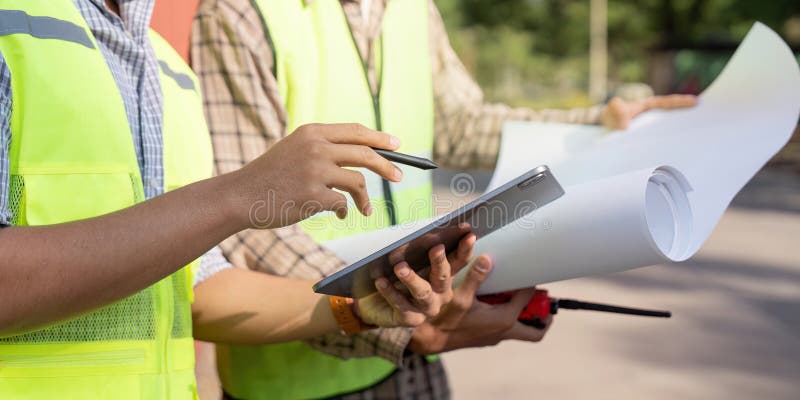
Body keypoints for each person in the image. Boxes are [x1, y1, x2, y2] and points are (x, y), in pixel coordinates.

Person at [192, 0, 699, 399]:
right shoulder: (241, 12)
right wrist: (387, 314)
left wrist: (597, 127)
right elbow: (247, 217)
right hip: (297, 376)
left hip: (415, 362)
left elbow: (459, 122)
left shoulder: (414, 9)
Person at [0, 1, 477, 399]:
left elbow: (199, 290)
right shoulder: (10, 29)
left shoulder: (167, 69)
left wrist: (360, 307)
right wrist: (239, 194)